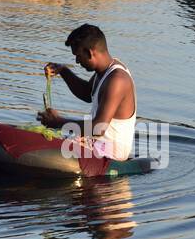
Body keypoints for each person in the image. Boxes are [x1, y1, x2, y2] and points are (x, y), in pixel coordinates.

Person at [38, 23, 138, 161]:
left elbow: (99, 127)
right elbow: (87, 93)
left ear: (90, 52)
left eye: (78, 55)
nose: (77, 61)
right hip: (95, 143)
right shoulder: (103, 72)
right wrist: (63, 71)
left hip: (110, 152)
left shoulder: (117, 80)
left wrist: (58, 121)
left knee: (46, 146)